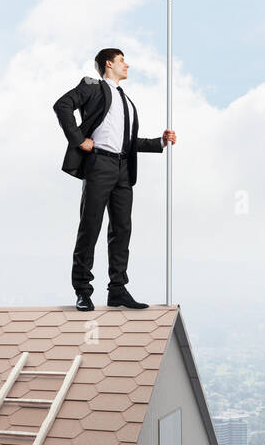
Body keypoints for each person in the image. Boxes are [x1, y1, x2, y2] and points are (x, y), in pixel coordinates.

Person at [52, 48, 176, 311]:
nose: (127, 65)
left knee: (122, 229)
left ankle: (117, 290)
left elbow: (129, 142)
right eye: (122, 61)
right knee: (91, 226)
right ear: (109, 63)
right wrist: (78, 139)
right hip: (99, 163)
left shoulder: (127, 101)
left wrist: (160, 142)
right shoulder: (92, 87)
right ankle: (83, 291)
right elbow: (62, 105)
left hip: (123, 168)